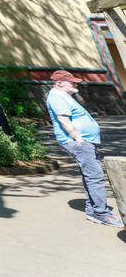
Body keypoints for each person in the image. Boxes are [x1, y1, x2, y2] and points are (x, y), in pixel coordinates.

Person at [46, 70, 122, 228]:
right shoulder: (57, 96)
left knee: (90, 176)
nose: (75, 84)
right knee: (95, 177)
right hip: (80, 142)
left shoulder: (63, 96)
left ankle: (93, 211)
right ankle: (102, 213)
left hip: (84, 141)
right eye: (72, 82)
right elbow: (62, 118)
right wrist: (78, 138)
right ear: (60, 83)